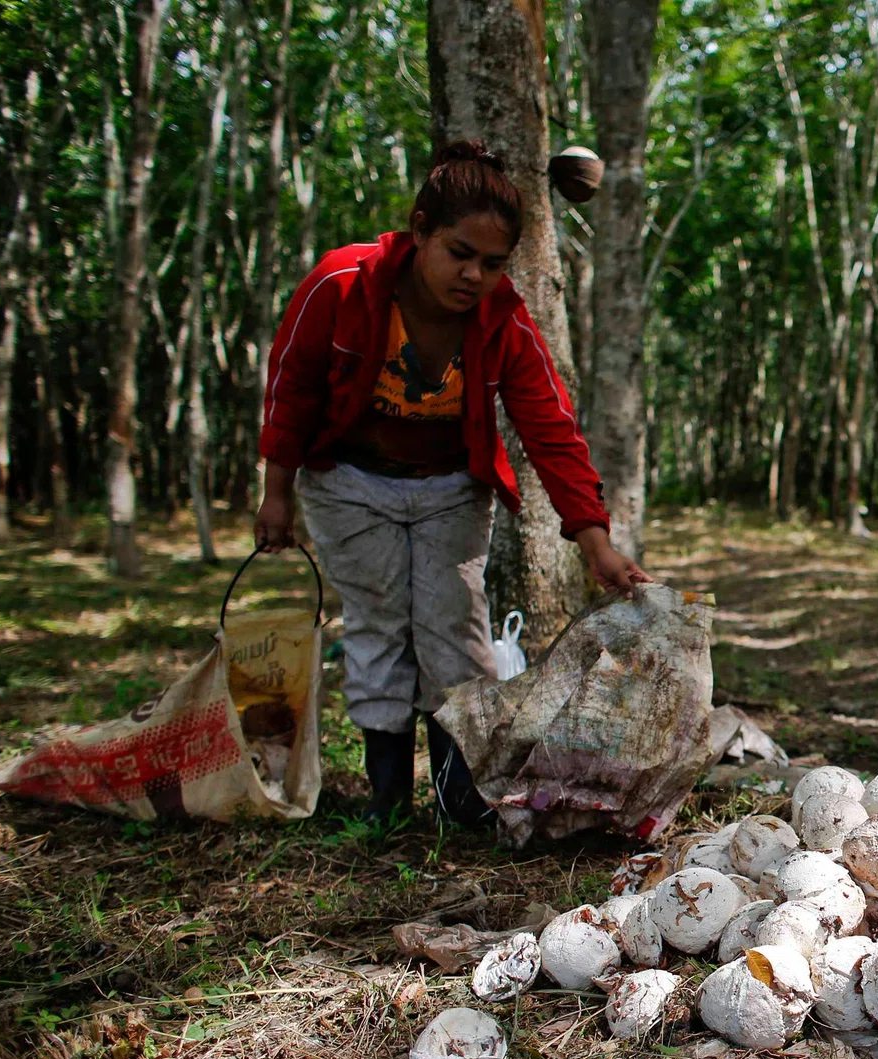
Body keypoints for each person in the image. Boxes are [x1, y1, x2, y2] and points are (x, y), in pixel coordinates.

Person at [252, 140, 649, 823]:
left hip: (448, 492)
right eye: (458, 253)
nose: (472, 276)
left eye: (492, 265)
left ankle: (460, 797)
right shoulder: (341, 285)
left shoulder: (505, 325)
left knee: (454, 636)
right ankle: (385, 800)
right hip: (347, 484)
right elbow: (292, 387)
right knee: (377, 626)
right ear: (419, 232)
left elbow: (550, 429)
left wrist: (595, 543)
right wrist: (276, 493)